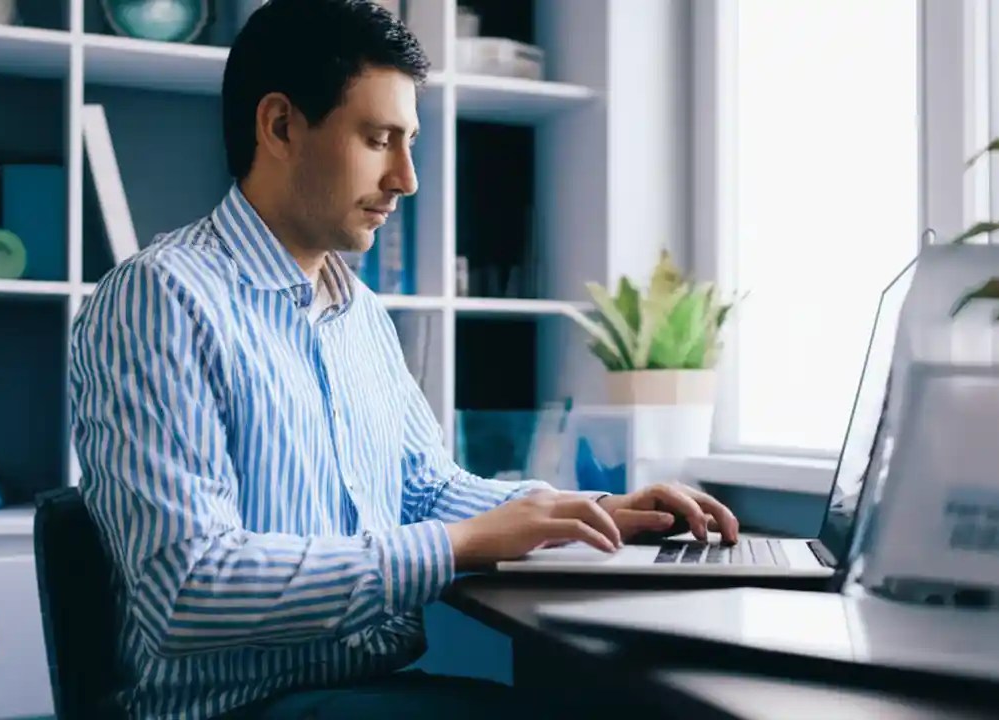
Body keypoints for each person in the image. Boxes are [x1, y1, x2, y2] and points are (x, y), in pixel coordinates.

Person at [68, 1, 739, 718]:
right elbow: (187, 591)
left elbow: (423, 489)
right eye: (379, 139)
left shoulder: (355, 310)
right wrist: (457, 545)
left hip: (361, 693)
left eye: (408, 141)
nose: (406, 179)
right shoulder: (160, 297)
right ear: (281, 126)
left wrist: (591, 512)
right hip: (237, 708)